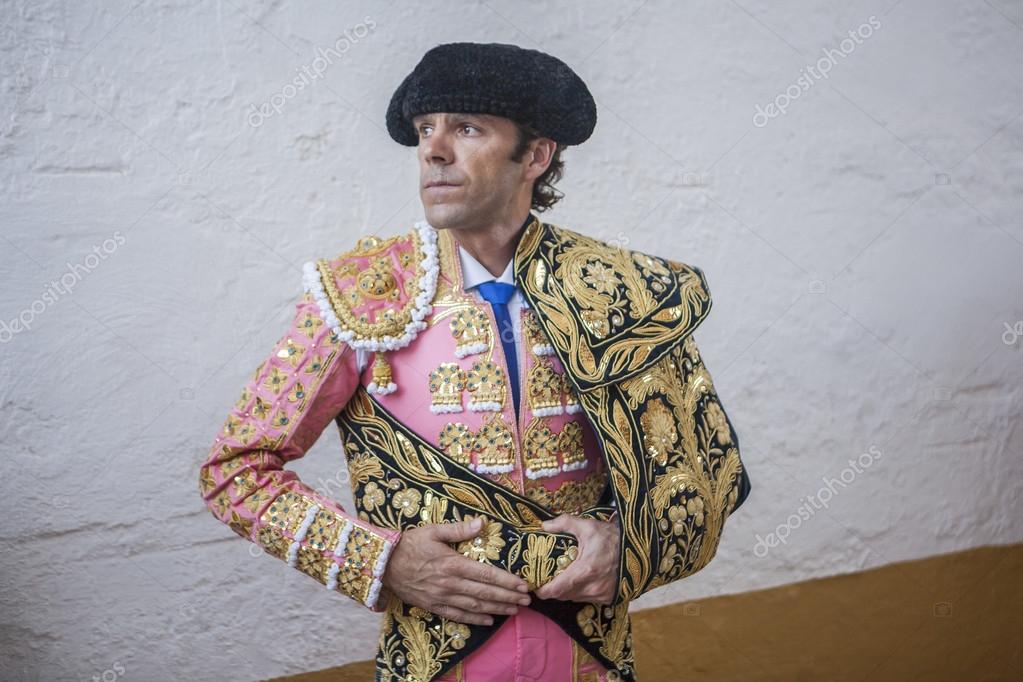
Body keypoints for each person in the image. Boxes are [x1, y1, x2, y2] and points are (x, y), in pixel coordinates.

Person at [199, 41, 751, 682]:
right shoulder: (359, 293)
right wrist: (383, 560)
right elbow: (236, 471)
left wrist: (632, 546)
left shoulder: (624, 291)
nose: (433, 150)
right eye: (425, 129)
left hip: (588, 660)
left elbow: (708, 472)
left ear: (536, 156)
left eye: (466, 128)